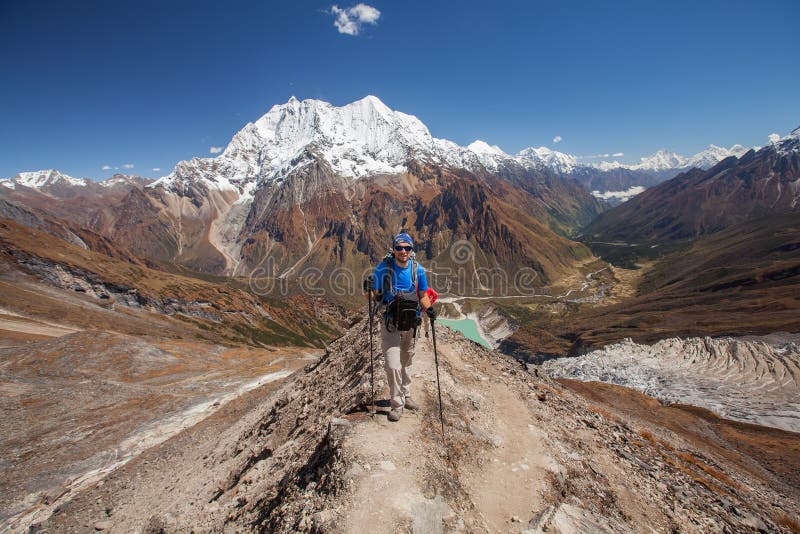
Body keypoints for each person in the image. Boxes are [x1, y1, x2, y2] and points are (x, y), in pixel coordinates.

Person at [371, 233, 436, 422]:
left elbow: (423, 294)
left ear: (411, 250)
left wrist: (429, 308)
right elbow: (375, 296)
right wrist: (370, 289)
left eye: (407, 248)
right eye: (399, 248)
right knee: (393, 365)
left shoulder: (418, 270)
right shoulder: (383, 269)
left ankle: (406, 395)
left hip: (411, 321)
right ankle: (397, 404)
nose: (403, 251)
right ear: (393, 249)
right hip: (390, 322)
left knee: (407, 359)